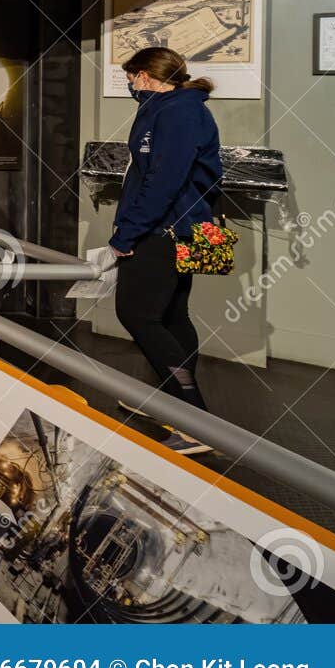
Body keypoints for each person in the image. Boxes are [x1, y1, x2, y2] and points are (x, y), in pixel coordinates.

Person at [109, 46, 223, 456]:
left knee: (136, 314)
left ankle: (195, 422)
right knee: (173, 315)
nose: (129, 84)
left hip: (165, 231)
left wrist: (127, 235)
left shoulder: (177, 111)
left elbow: (163, 181)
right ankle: (174, 406)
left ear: (145, 75)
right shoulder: (173, 107)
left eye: (131, 76)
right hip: (174, 228)